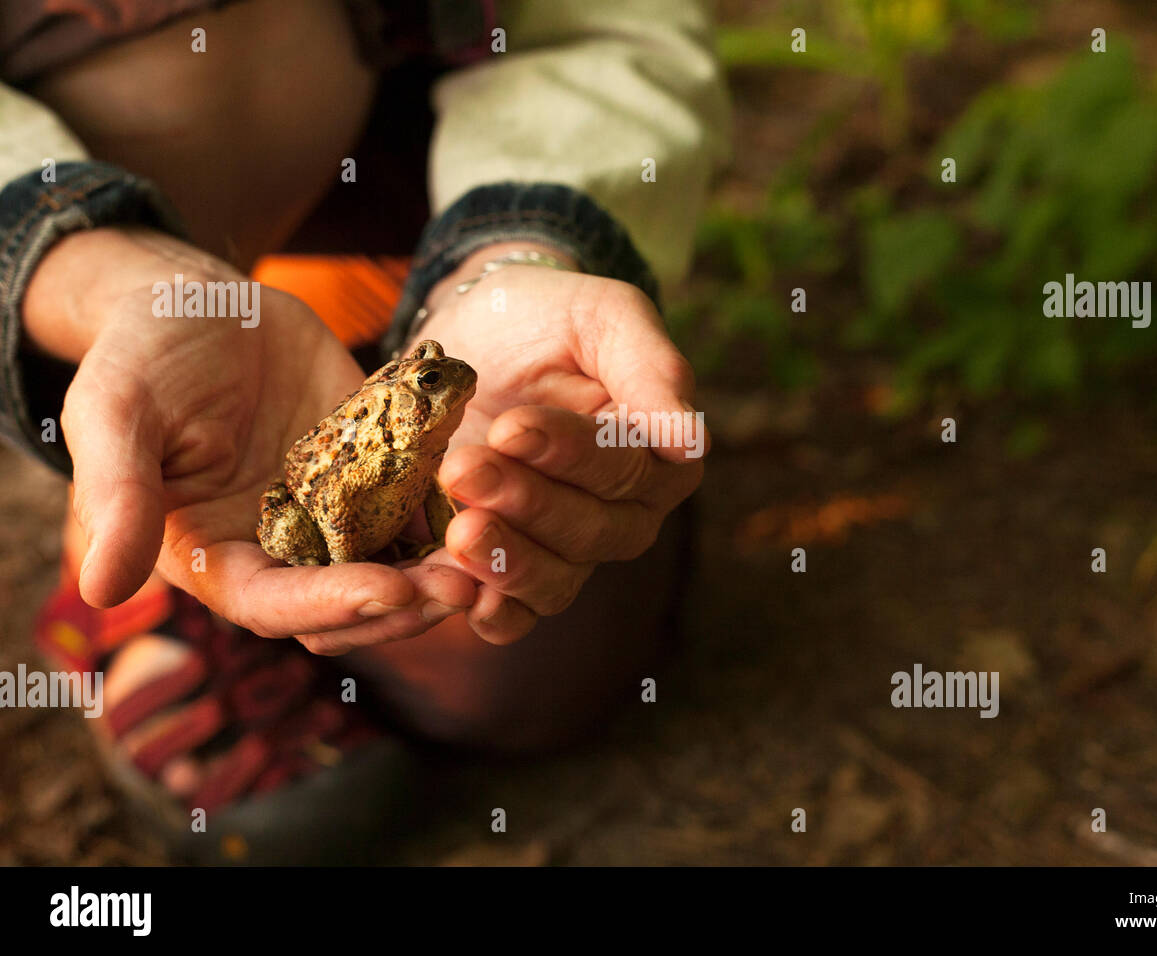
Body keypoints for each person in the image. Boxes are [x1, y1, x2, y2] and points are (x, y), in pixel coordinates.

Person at [0, 0, 729, 862]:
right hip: (112, 236)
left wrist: (519, 242)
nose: (446, 392)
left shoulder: (414, 433)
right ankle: (159, 490)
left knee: (524, 645)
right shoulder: (390, 442)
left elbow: (606, 26)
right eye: (431, 387)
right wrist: (87, 267)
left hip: (395, 155)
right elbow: (337, 502)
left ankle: (259, 387)